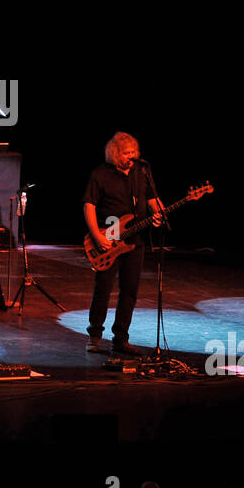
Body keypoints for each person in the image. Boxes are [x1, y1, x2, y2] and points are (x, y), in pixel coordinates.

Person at [82, 132, 163, 355]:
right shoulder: (101, 174)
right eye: (126, 153)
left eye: (133, 153)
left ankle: (121, 338)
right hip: (107, 240)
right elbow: (89, 206)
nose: (131, 157)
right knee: (103, 289)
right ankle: (95, 337)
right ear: (116, 154)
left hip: (135, 242)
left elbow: (152, 199)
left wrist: (158, 215)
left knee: (130, 291)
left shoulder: (142, 171)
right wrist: (98, 237)